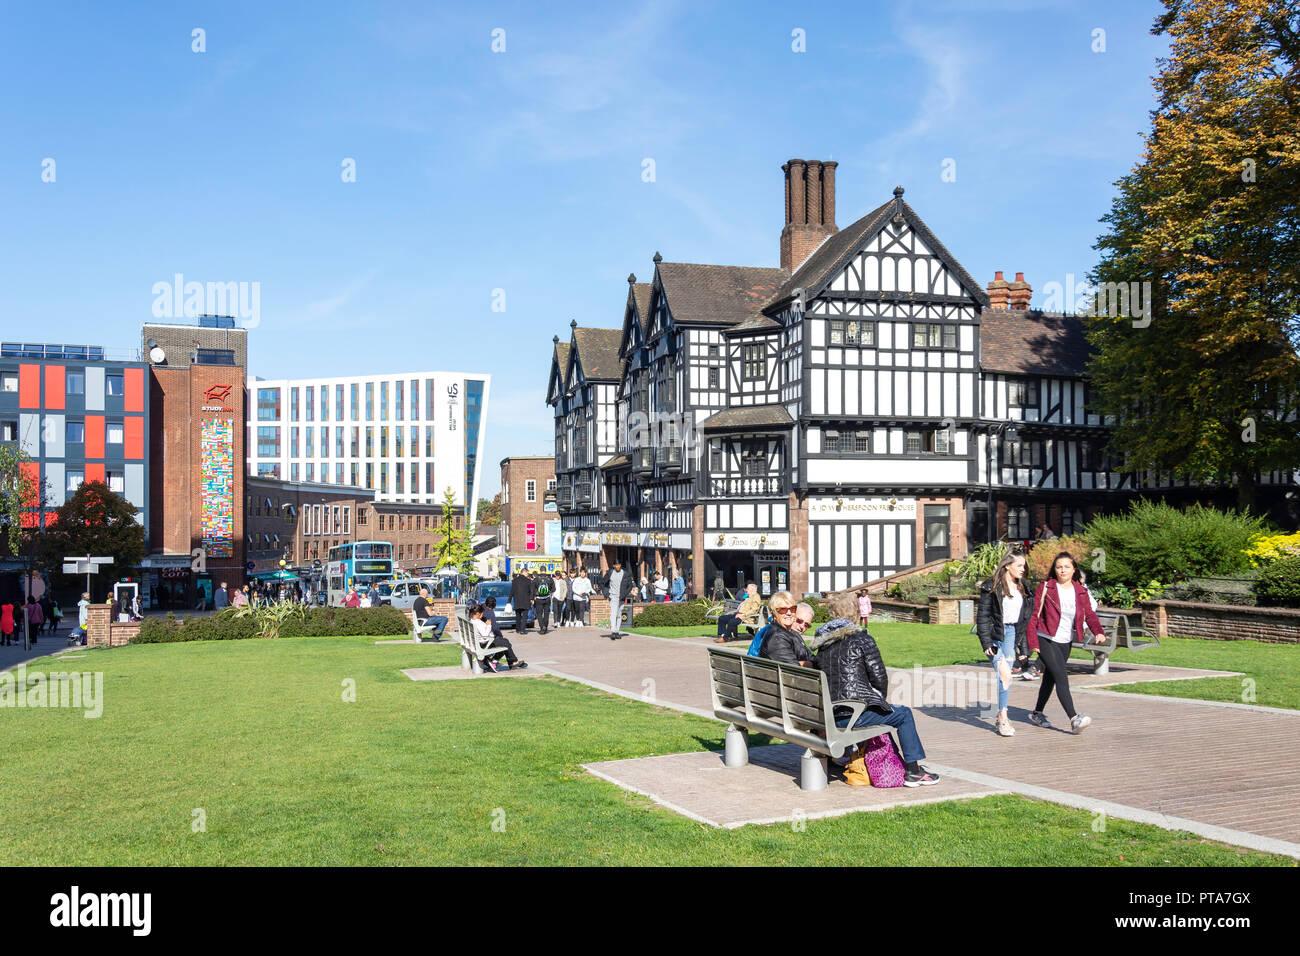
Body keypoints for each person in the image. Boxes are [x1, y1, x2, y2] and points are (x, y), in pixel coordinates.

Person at [812, 606, 941, 787]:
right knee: (903, 714)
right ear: (855, 615)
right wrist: (880, 700)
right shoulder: (862, 639)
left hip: (829, 717)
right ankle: (914, 771)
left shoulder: (823, 646)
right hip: (851, 716)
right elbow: (879, 677)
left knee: (882, 711)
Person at [1026, 551, 1106, 733]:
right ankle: (1074, 719)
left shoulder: (1080, 591)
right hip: (1045, 637)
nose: (1063, 570)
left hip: (1065, 640)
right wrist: (1033, 641)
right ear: (1054, 569)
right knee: (1062, 676)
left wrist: (1098, 632)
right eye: (1059, 567)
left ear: (1074, 570)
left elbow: (1090, 615)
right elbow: (1033, 615)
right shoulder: (1046, 587)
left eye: (1067, 567)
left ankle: (1037, 713)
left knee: (1051, 678)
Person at [976, 551, 1033, 737]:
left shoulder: (1023, 587)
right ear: (1007, 565)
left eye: (1024, 566)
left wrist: (1023, 648)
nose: (1022, 569)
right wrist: (986, 642)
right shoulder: (991, 587)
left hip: (1011, 634)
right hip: (994, 634)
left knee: (1005, 678)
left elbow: (1024, 620)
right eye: (1019, 566)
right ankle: (1003, 718)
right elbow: (983, 617)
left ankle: (1001, 715)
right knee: (1005, 673)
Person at [756, 591, 814, 665]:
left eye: (793, 609)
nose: (789, 613)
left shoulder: (792, 633)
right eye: (783, 609)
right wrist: (812, 664)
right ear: (774, 613)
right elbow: (793, 668)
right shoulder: (777, 637)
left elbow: (809, 656)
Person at [469, 603, 527, 672]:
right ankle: (512, 662)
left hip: (479, 643)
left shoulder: (472, 621)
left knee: (504, 642)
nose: (482, 616)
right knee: (506, 643)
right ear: (478, 614)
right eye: (482, 614)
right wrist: (489, 625)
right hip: (484, 644)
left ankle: (508, 661)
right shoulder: (478, 622)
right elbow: (485, 635)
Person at [748, 601, 813, 657]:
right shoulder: (776, 634)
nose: (802, 626)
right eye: (799, 621)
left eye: (806, 625)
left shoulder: (789, 634)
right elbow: (789, 664)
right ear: (791, 616)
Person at [604, 561, 634, 640]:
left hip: (621, 597)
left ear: (620, 565)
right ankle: (613, 631)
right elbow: (602, 582)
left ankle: (617, 631)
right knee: (613, 613)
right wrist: (606, 594)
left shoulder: (625, 574)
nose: (617, 566)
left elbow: (630, 586)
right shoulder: (610, 573)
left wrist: (625, 594)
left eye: (619, 564)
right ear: (613, 565)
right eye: (616, 565)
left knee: (619, 614)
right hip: (613, 596)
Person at [509, 569, 533, 634]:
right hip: (526, 601)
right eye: (527, 573)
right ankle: (522, 630)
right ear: (524, 572)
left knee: (518, 616)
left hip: (517, 601)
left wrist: (509, 601)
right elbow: (531, 591)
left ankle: (518, 629)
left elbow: (512, 591)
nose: (527, 574)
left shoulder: (514, 581)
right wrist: (531, 599)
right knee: (525, 616)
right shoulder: (528, 581)